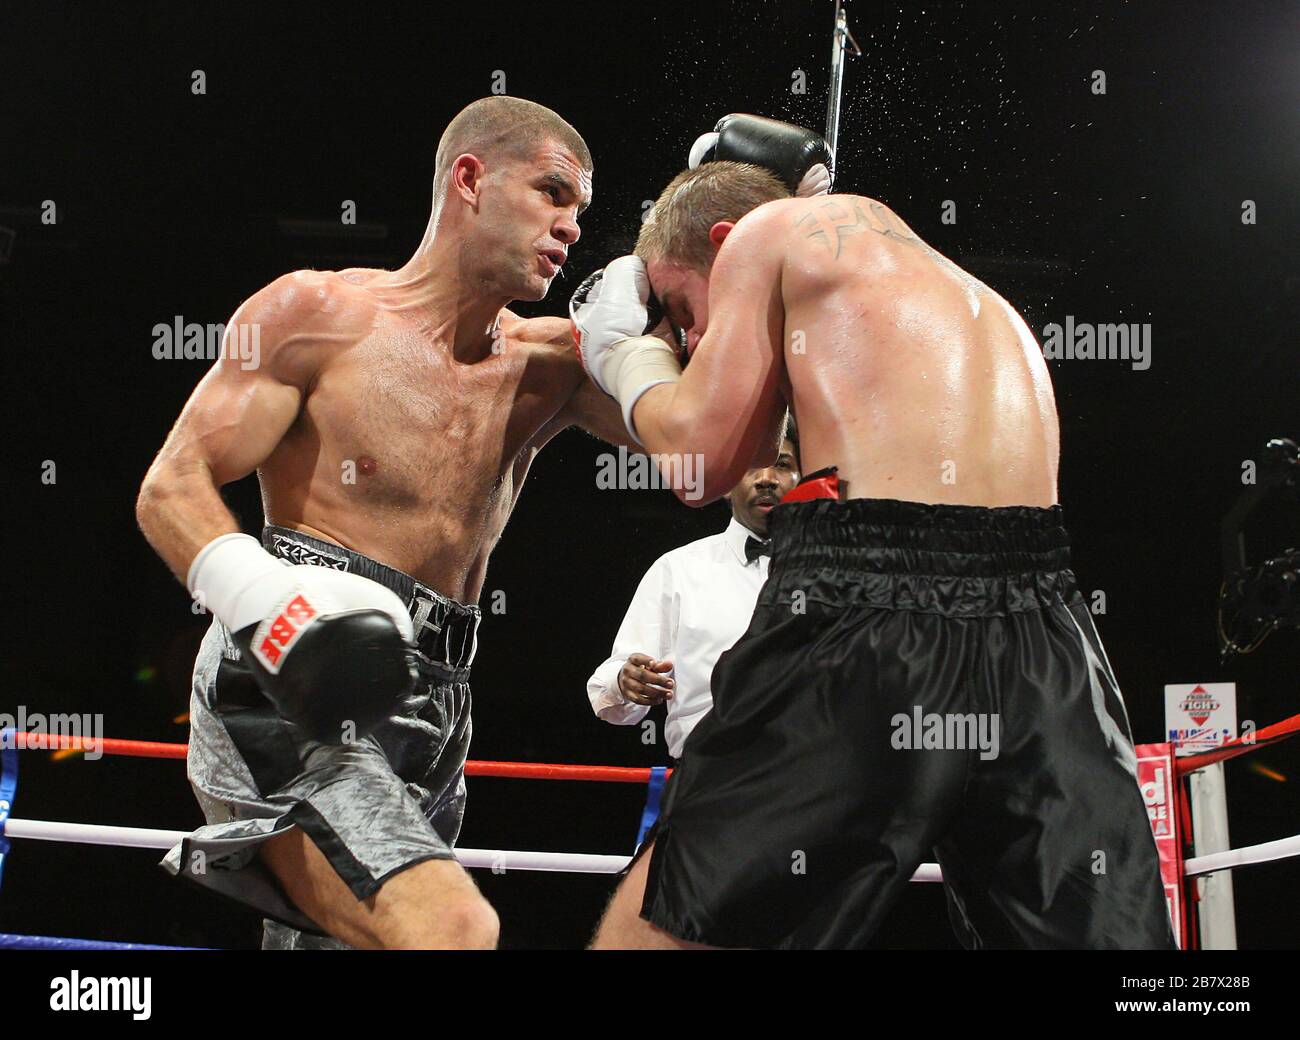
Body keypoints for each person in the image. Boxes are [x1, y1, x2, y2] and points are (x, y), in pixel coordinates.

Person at [572, 115, 1176, 949]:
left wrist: (621, 352)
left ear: (724, 237)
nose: (692, 342)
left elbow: (698, 464)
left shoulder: (763, 235)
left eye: (682, 311)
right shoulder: (969, 291)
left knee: (675, 929)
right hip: (1049, 641)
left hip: (870, 612)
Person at [136, 96, 628, 950]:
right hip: (300, 673)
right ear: (469, 179)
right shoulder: (317, 314)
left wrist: (755, 251)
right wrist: (277, 618)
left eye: (580, 210)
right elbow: (170, 487)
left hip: (441, 695)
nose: (572, 226)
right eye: (552, 192)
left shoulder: (552, 367)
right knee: (448, 930)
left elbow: (724, 444)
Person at [587, 432, 800, 760]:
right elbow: (612, 697)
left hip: (812, 780)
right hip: (709, 780)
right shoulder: (679, 569)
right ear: (727, 483)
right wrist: (625, 680)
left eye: (782, 465)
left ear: (805, 480)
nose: (766, 479)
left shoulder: (837, 571)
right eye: (751, 467)